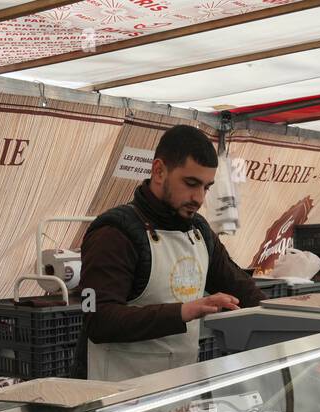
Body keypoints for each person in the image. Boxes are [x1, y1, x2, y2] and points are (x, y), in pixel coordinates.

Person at [80, 125, 261, 381]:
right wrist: (183, 311)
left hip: (176, 392)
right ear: (158, 171)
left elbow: (241, 288)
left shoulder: (199, 230)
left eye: (207, 187)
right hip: (118, 398)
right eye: (190, 183)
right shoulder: (115, 233)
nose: (199, 198)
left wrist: (287, 314)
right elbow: (98, 321)